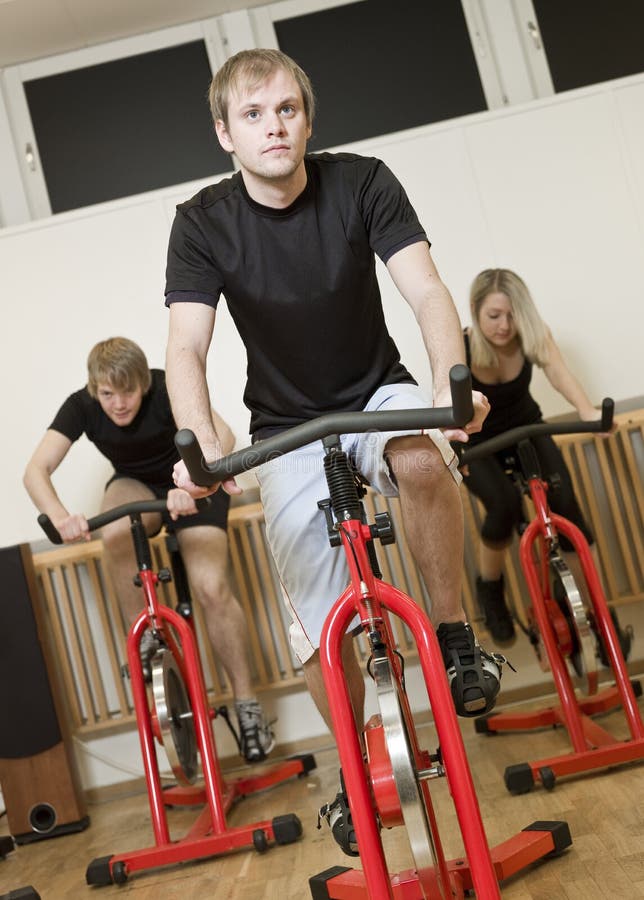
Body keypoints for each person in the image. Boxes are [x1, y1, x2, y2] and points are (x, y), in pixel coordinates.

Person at [163, 48, 503, 852]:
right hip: (283, 428)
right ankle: (354, 767)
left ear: (308, 120)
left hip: (374, 392)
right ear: (226, 134)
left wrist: (448, 385)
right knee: (321, 625)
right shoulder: (202, 221)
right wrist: (200, 442)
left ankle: (454, 639)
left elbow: (426, 290)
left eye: (286, 109)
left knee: (420, 460)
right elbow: (186, 348)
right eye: (253, 115)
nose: (273, 127)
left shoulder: (363, 181)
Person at [23, 337, 274, 764]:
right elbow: (36, 471)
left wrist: (191, 483)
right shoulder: (82, 405)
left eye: (128, 392)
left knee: (211, 588)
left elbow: (224, 434)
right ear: (95, 389)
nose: (118, 404)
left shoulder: (165, 387)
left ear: (144, 383)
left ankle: (248, 706)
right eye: (108, 394)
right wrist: (62, 517)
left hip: (192, 483)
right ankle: (145, 641)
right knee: (115, 530)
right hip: (137, 486)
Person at [461, 268, 605, 646]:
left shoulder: (531, 333)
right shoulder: (460, 346)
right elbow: (446, 398)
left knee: (566, 506)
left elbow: (558, 373)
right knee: (504, 504)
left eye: (512, 315)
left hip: (525, 427)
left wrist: (588, 412)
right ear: (475, 309)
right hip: (477, 440)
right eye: (494, 316)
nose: (504, 326)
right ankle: (491, 590)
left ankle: (594, 617)